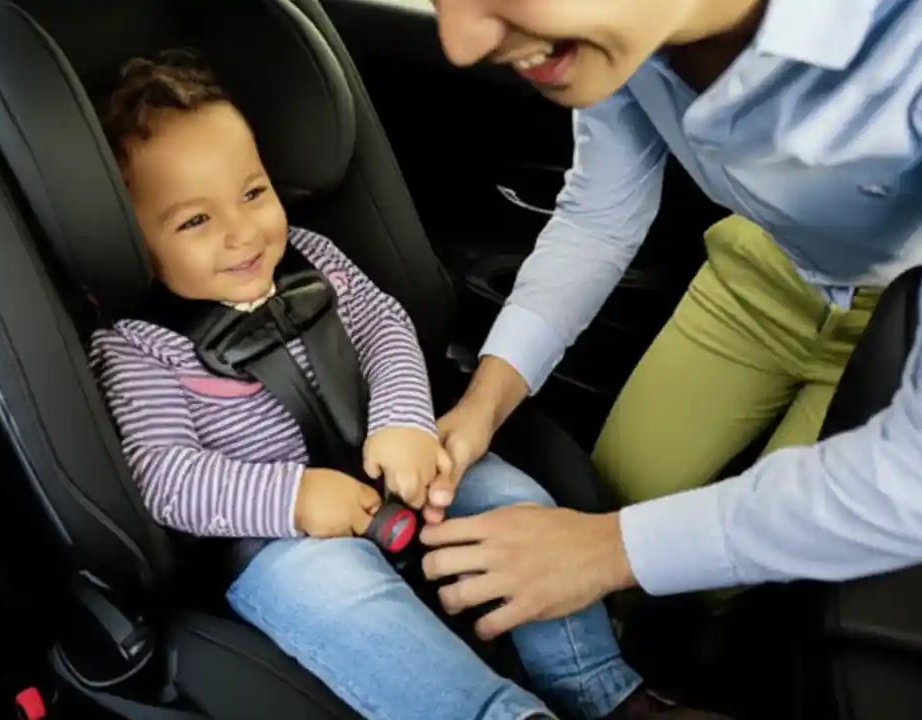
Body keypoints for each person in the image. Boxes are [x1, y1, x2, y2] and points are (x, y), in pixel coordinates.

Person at [88, 51, 724, 720]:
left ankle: (605, 690)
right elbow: (163, 475)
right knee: (339, 596)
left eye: (252, 193)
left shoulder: (311, 258)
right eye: (195, 221)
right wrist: (295, 499)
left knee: (513, 498)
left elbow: (387, 331)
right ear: (133, 242)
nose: (242, 232)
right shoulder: (139, 346)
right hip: (275, 536)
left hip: (390, 468)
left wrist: (403, 421)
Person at [421, 0, 922, 642]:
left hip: (919, 322)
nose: (459, 44)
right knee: (613, 491)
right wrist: (484, 403)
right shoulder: (621, 33)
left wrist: (608, 552)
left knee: (762, 585)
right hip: (756, 272)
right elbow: (599, 217)